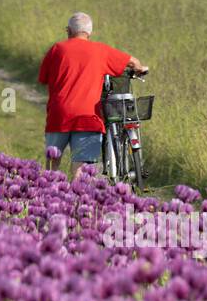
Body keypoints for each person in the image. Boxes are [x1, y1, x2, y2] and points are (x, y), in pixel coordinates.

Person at [38, 12, 148, 177]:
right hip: (88, 117)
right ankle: (77, 201)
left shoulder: (57, 49)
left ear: (68, 30)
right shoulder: (100, 50)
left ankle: (47, 198)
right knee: (80, 169)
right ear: (89, 33)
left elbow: (43, 78)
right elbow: (132, 61)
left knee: (52, 164)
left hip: (59, 115)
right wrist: (140, 67)